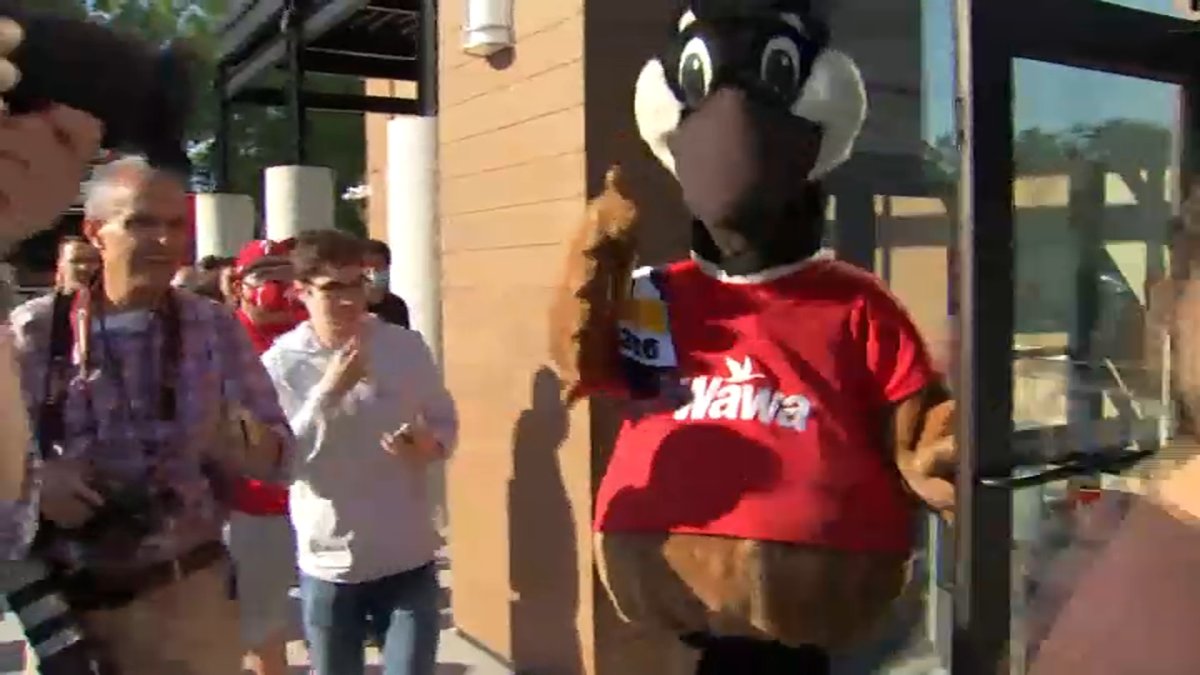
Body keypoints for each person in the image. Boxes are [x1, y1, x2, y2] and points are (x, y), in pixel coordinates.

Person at [7, 155, 294, 674]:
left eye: (175, 225)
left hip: (191, 601)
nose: (163, 239)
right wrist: (40, 483)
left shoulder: (212, 326)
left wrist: (240, 441)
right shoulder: (34, 332)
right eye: (141, 222)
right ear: (96, 232)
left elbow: (281, 459)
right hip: (73, 614)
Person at [262, 230, 457, 675]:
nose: (350, 300)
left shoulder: (403, 346)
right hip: (331, 562)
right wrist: (328, 392)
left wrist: (428, 444)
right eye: (333, 288)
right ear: (301, 292)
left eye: (357, 284)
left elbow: (443, 419)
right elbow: (282, 462)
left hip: (407, 553)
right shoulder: (282, 364)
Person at [226, 238, 306, 675]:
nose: (277, 287)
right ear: (239, 285)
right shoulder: (222, 340)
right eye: (264, 275)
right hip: (255, 503)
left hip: (319, 497)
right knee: (263, 628)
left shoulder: (311, 332)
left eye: (284, 274)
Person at [363, 239, 410, 329]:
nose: (373, 273)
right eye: (368, 268)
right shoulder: (352, 307)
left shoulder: (396, 305)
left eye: (379, 266)